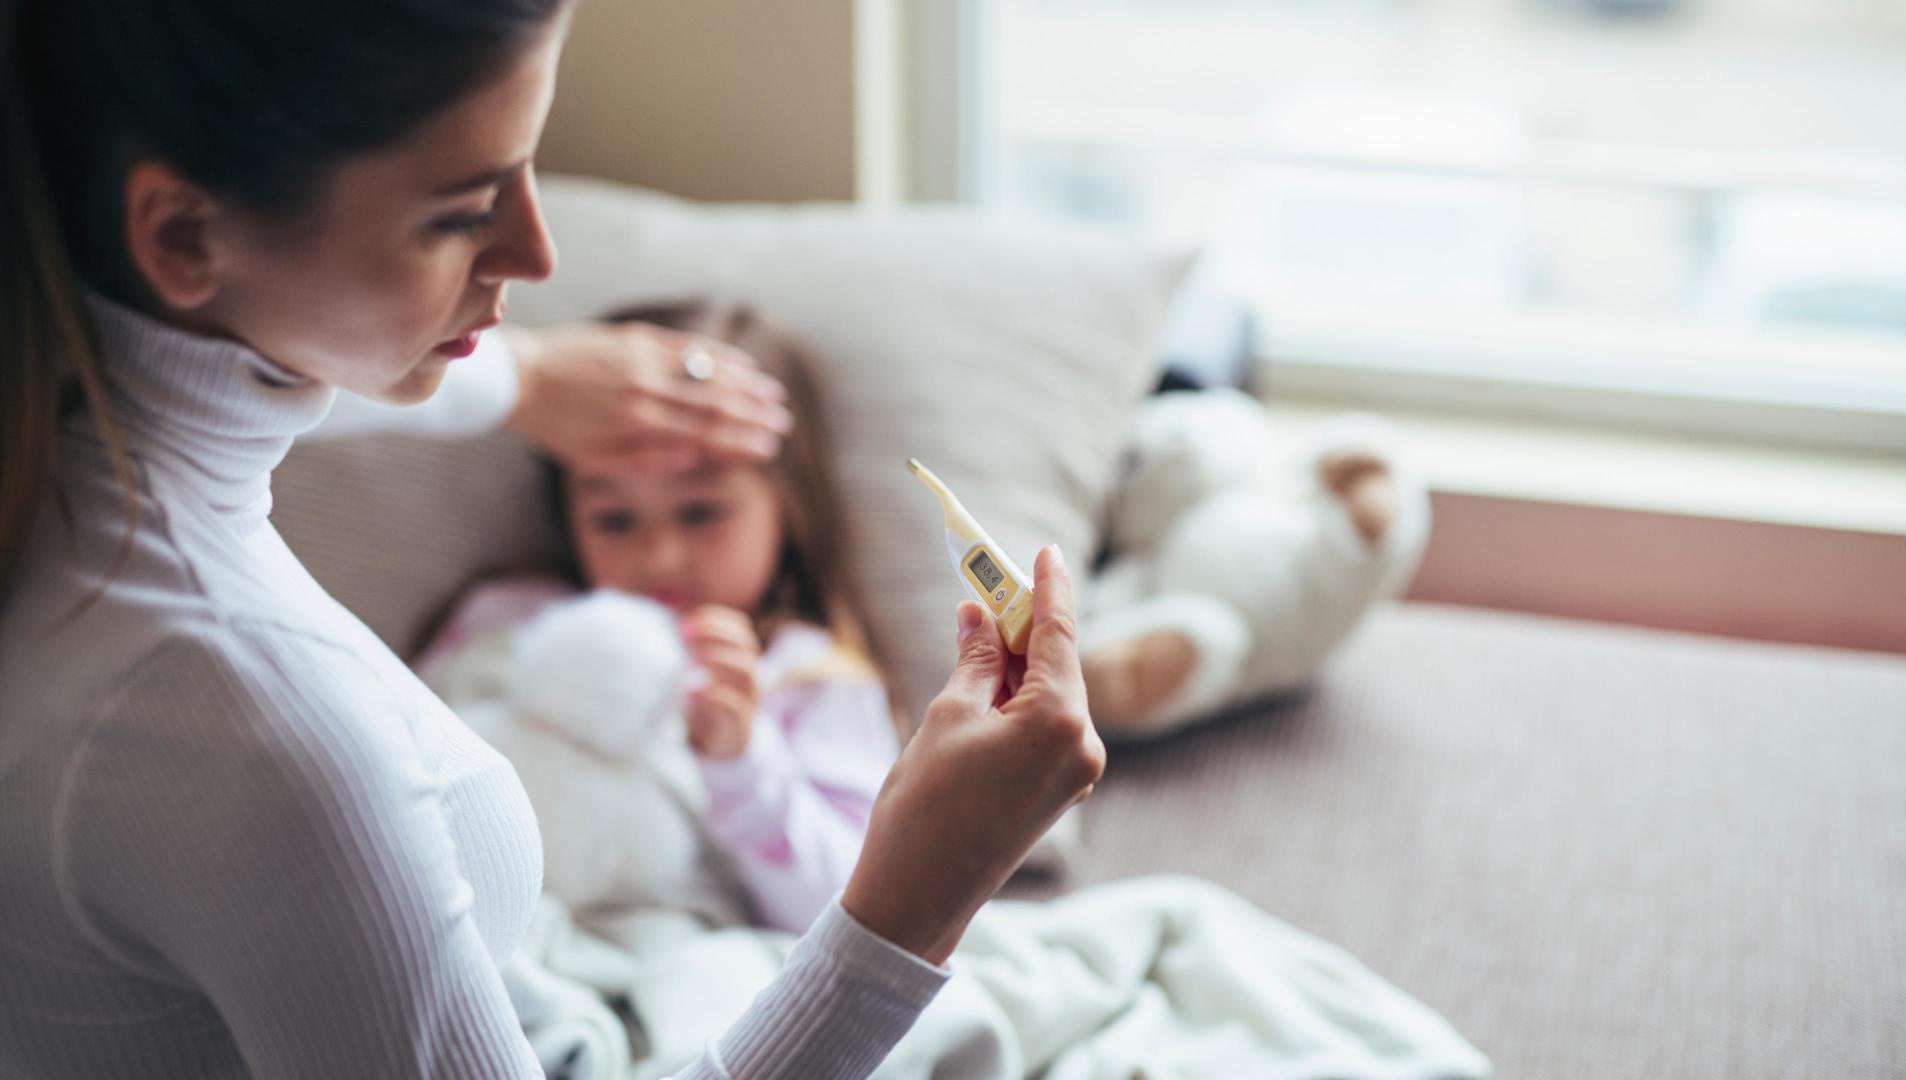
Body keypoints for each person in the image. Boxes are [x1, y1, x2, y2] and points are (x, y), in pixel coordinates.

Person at [0, 1, 1104, 1077]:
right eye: (458, 211)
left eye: (532, 163)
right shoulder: (267, 735)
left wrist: (524, 380)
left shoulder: (63, 451)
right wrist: (907, 915)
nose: (536, 253)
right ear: (186, 233)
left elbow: (242, 368)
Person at [416, 300, 899, 935]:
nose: (659, 557)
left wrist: (744, 763)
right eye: (614, 519)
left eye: (701, 512)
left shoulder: (809, 676)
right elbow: (395, 766)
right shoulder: (507, 617)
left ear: (789, 504)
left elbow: (856, 911)